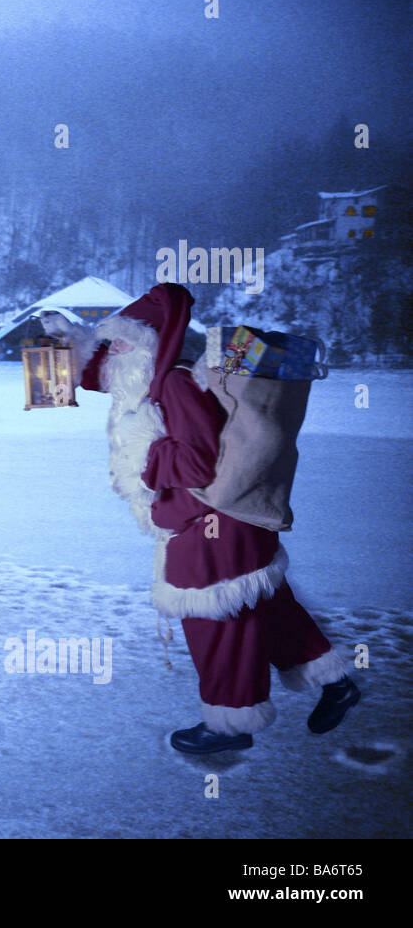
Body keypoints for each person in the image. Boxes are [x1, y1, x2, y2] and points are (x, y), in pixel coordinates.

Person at [42, 282, 360, 754]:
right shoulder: (148, 381)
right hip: (228, 517)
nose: (115, 352)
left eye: (124, 342)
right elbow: (94, 375)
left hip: (208, 521)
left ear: (152, 345)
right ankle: (336, 683)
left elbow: (196, 462)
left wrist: (147, 463)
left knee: (213, 619)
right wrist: (69, 339)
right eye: (112, 343)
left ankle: (230, 725)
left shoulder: (171, 383)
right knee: (261, 604)